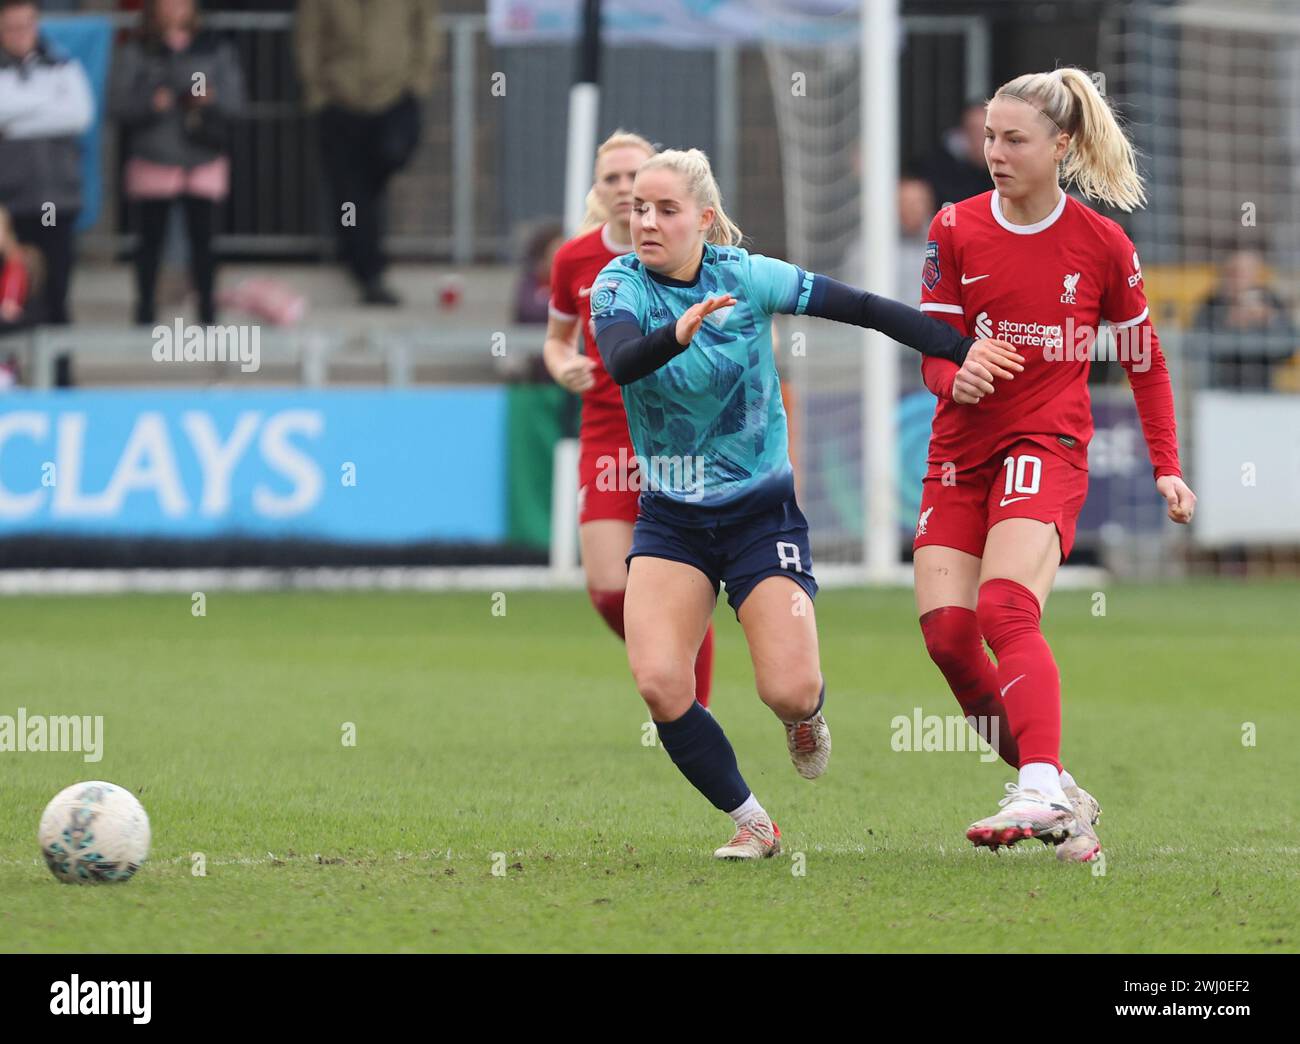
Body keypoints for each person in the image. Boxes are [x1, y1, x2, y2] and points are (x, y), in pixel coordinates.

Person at [591, 147, 1020, 860]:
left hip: (761, 515)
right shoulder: (620, 283)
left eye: (666, 210)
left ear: (703, 219)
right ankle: (752, 821)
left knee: (790, 690)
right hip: (673, 519)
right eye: (639, 207)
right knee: (660, 683)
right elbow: (619, 361)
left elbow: (862, 307)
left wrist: (961, 345)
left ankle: (805, 716)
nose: (647, 222)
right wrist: (679, 331)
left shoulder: (748, 277)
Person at [914, 67, 1197, 863]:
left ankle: (1035, 784)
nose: (994, 152)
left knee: (1006, 609)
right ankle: (1059, 794)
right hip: (960, 452)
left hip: (1048, 444)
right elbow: (936, 351)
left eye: (1014, 139)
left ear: (1060, 146)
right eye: (989, 137)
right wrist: (956, 370)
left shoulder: (1102, 243)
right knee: (947, 637)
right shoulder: (954, 227)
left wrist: (1165, 465)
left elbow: (1145, 360)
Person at [542, 132, 726, 706]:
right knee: (606, 589)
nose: (624, 190)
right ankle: (671, 661)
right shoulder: (574, 258)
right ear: (597, 188)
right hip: (606, 429)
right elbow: (555, 340)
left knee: (681, 579)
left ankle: (693, 706)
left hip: (677, 431)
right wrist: (563, 364)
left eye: (634, 178)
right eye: (612, 179)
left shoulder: (694, 250)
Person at [294, 0, 440, 306]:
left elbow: (426, 29)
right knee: (350, 192)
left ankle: (356, 241)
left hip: (395, 98)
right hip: (340, 101)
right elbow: (308, 39)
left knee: (385, 162)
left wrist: (418, 83)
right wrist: (317, 95)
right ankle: (368, 271)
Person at [111, 0, 245, 326]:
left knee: (204, 243)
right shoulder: (137, 49)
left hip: (202, 157)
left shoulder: (213, 46)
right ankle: (145, 312)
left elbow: (236, 100)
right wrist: (151, 102)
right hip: (155, 157)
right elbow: (118, 103)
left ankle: (207, 313)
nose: (174, 8)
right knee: (150, 243)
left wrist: (208, 97)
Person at [0, 0, 94, 326]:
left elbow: (79, 116)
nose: (20, 34)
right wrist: (48, 105)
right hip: (9, 204)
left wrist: (16, 119)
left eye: (26, 25)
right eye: (11, 27)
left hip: (53, 201)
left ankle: (59, 374)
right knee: (12, 292)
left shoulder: (61, 63)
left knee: (55, 287)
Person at [1191, 249, 1295, 390]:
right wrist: (1229, 322)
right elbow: (1196, 347)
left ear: (1256, 275)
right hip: (1219, 389)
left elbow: (1289, 347)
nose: (1237, 278)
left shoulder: (1270, 301)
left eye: (1244, 272)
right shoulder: (1211, 303)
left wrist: (1269, 319)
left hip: (1262, 389)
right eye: (1232, 272)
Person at [919, 100, 992, 208]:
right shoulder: (941, 171)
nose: (980, 139)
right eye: (974, 131)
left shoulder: (1008, 171)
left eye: (986, 132)